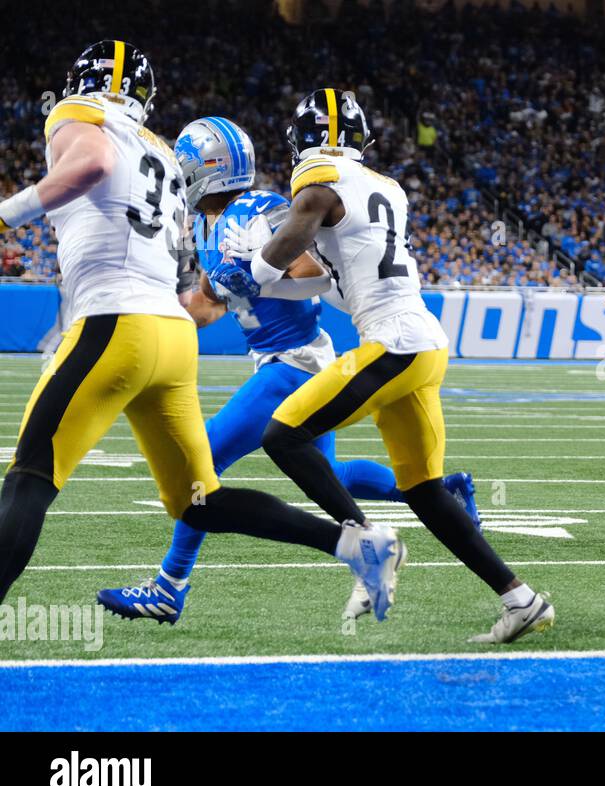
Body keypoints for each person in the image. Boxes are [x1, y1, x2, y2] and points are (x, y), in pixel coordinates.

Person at [0, 43, 400, 606]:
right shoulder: (159, 150)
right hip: (170, 336)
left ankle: (172, 584)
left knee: (30, 476)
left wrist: (6, 214)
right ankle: (354, 544)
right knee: (198, 498)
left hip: (122, 322)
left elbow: (91, 165)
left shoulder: (78, 114)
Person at [96, 116, 479, 624]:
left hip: (293, 364)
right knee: (331, 475)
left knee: (199, 462)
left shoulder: (259, 209)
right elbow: (208, 305)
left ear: (203, 170)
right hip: (290, 361)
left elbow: (310, 272)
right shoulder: (212, 223)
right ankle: (441, 491)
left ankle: (170, 587)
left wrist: (255, 277)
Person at [216, 88, 547, 641]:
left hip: (394, 343)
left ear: (302, 140)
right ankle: (522, 599)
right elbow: (345, 282)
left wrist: (257, 265)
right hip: (419, 343)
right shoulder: (386, 188)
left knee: (284, 435)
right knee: (423, 490)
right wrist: (272, 280)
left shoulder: (318, 179)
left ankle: (366, 541)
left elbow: (308, 211)